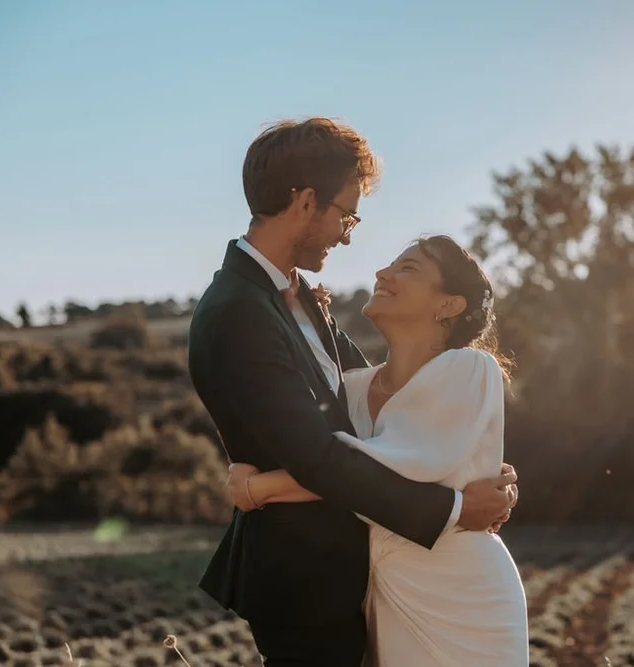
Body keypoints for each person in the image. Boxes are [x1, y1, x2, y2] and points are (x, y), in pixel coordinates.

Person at [186, 118, 518, 666]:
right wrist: (456, 507)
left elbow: (388, 421)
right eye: (346, 215)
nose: (348, 234)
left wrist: (480, 467)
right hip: (303, 584)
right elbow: (320, 456)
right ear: (304, 201)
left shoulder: (295, 299)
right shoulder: (237, 314)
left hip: (368, 579)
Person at [227, 235, 529, 665]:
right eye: (389, 264)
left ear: (449, 305)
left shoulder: (468, 368)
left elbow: (373, 474)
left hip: (461, 596)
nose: (382, 273)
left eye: (408, 268)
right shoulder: (352, 390)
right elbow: (340, 471)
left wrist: (259, 489)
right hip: (381, 597)